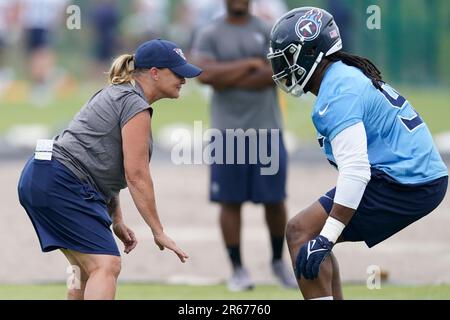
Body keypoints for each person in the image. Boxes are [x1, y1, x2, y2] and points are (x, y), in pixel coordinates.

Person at [267, 7, 448, 299]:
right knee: (308, 233)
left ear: (311, 51)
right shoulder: (342, 76)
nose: (282, 67)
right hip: (412, 173)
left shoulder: (337, 92)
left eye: (287, 56)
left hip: (407, 182)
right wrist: (325, 236)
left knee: (302, 232)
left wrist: (327, 236)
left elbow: (356, 170)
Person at [17, 39, 202, 300]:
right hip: (60, 181)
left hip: (42, 175)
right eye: (177, 72)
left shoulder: (118, 93)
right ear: (154, 73)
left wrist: (117, 219)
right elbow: (136, 176)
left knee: (82, 270)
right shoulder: (135, 105)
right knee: (107, 264)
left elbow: (101, 163)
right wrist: (158, 231)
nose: (184, 79)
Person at [191, 0, 297, 291]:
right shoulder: (209, 32)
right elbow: (205, 75)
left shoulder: (268, 30)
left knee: (274, 201)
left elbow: (275, 75)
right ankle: (238, 269)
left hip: (267, 132)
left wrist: (227, 75)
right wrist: (250, 64)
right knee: (229, 202)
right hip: (227, 135)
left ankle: (277, 262)